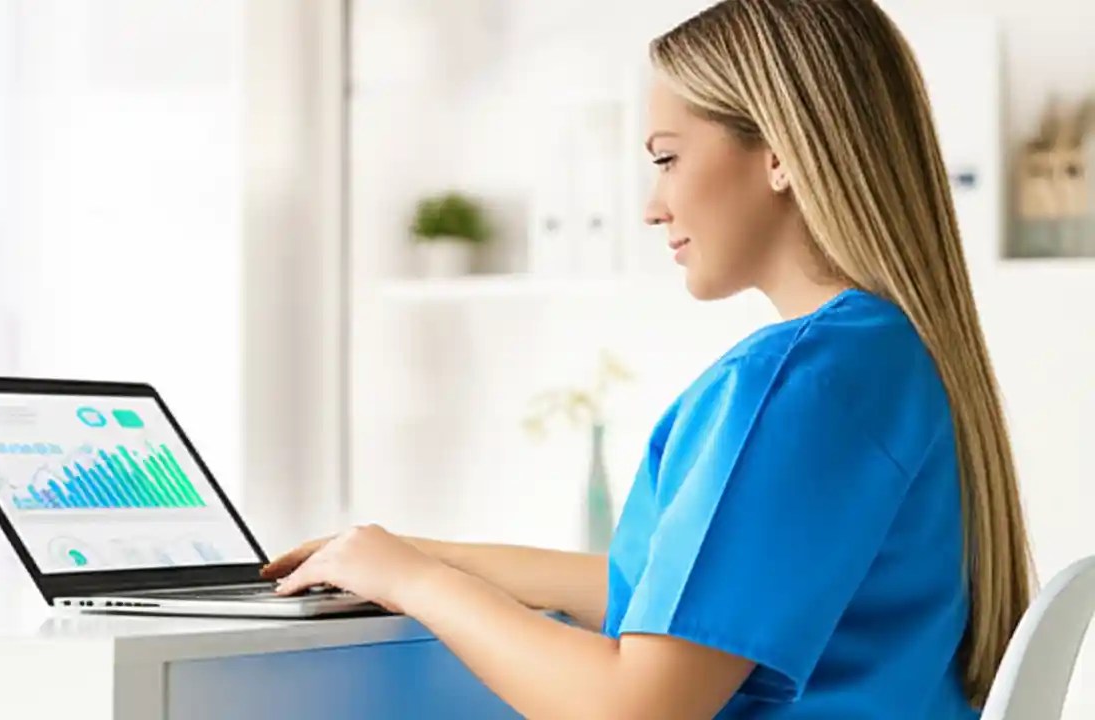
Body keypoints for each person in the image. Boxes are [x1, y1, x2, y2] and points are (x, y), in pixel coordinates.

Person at [261, 0, 1033, 716]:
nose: (651, 206)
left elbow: (636, 707)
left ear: (780, 155)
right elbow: (674, 598)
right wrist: (421, 559)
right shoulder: (884, 357)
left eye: (666, 159)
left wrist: (415, 581)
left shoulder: (797, 384)